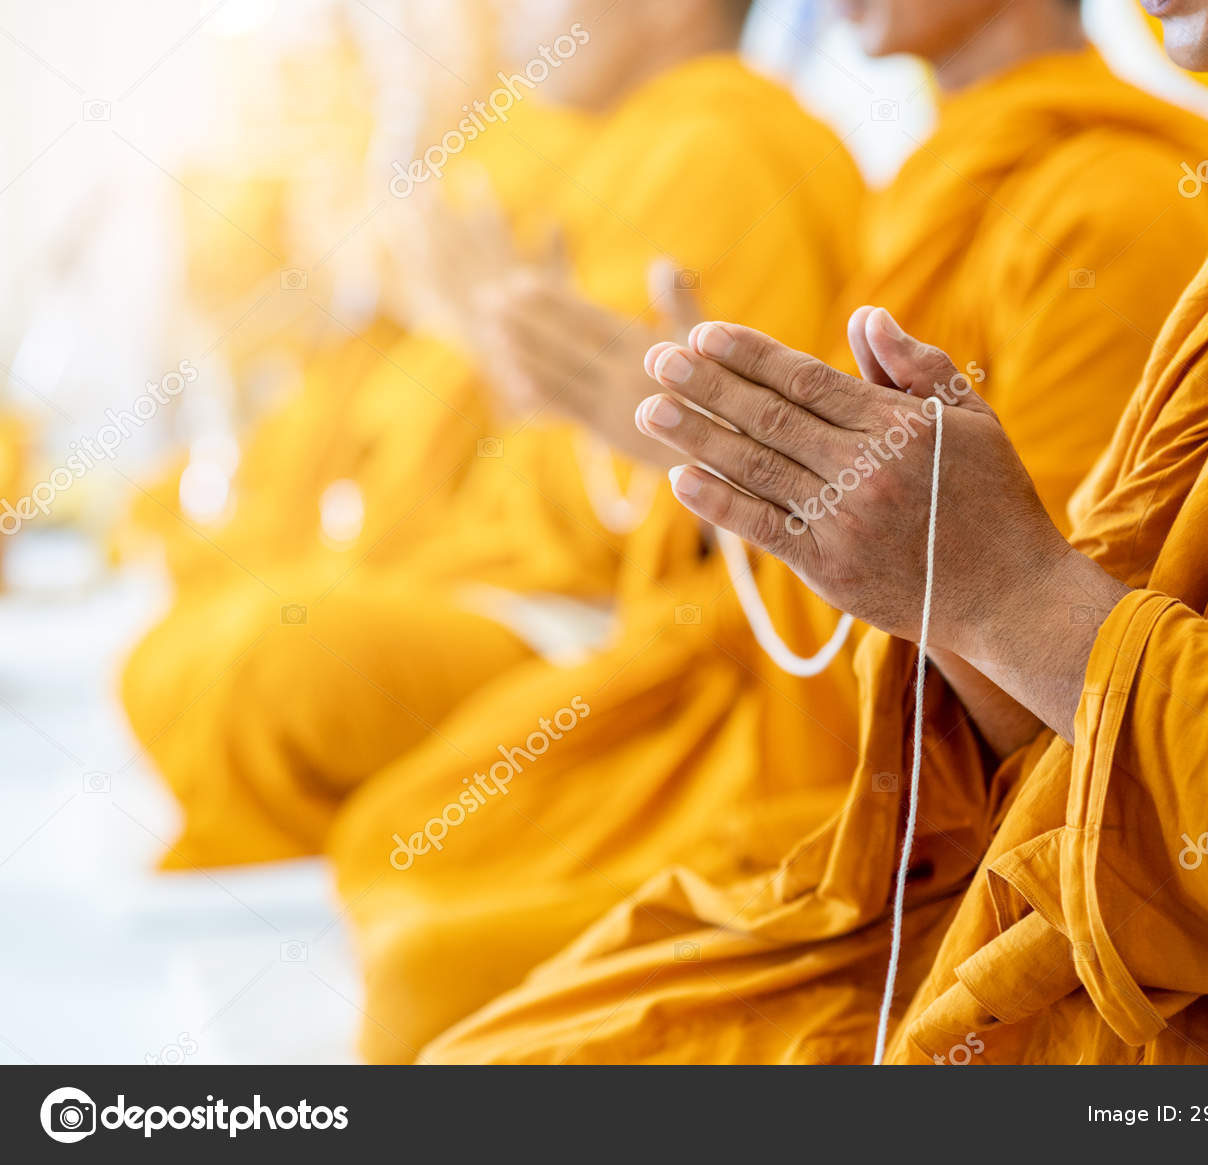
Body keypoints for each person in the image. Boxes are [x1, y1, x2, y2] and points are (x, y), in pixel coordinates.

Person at [425, 0, 1208, 1065]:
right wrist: (881, 546)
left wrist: (1005, 594)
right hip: (1040, 863)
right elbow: (1052, 700)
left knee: (435, 974)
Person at [328, 0, 1208, 1063]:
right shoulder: (924, 185)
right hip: (803, 711)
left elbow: (1061, 677)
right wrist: (688, 449)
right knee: (399, 859)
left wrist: (711, 460)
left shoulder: (1111, 201)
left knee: (432, 972)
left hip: (970, 827)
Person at [119, 0, 863, 868]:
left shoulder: (716, 149)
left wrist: (505, 364)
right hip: (506, 580)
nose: (515, 18)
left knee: (261, 670)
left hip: (609, 628)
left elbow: (691, 509)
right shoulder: (615, 151)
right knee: (180, 652)